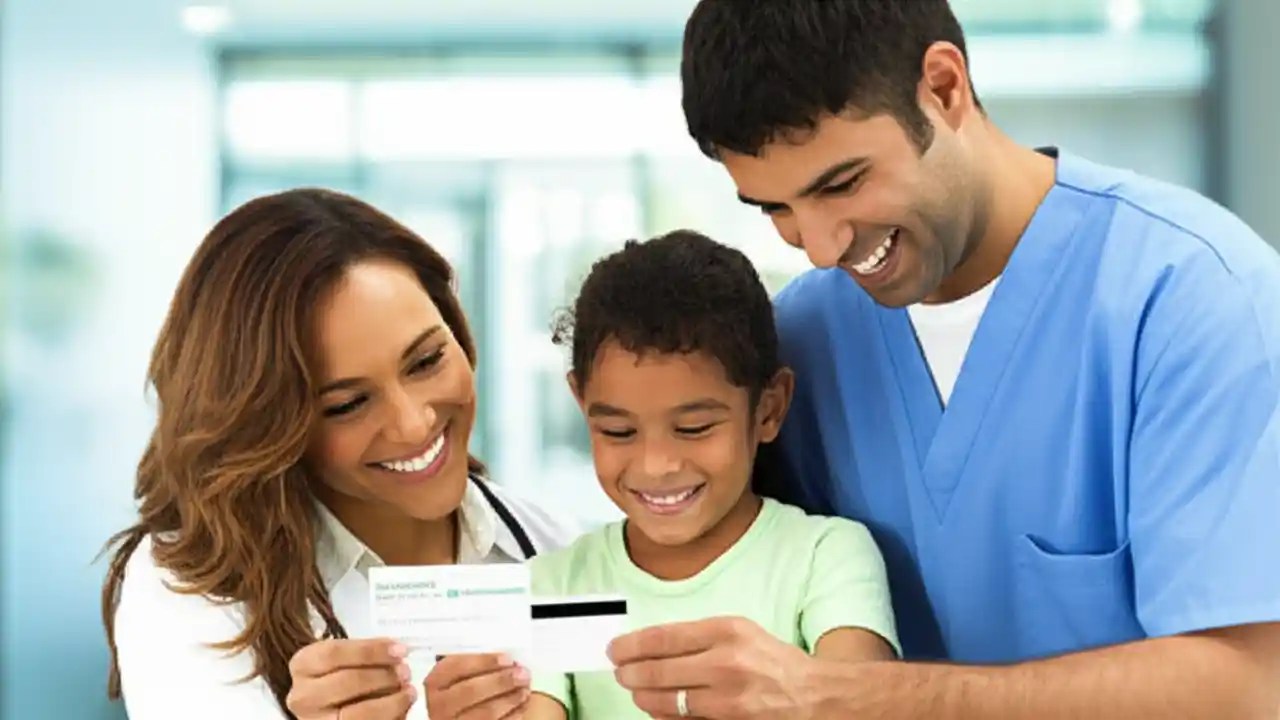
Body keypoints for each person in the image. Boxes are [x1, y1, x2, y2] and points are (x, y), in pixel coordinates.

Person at [605, 1, 1280, 718]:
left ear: (944, 87)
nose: (824, 246)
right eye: (776, 209)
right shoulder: (803, 338)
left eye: (842, 184)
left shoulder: (1193, 299)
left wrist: (864, 697)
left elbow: (1252, 683)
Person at [99, 188, 577, 720]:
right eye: (348, 404)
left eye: (426, 360)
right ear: (267, 425)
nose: (413, 421)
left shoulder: (559, 548)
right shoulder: (191, 592)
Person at [518, 230, 898, 720]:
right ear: (581, 405)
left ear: (768, 409)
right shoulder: (552, 586)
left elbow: (858, 704)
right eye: (617, 431)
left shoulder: (826, 557)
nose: (656, 465)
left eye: (694, 428)